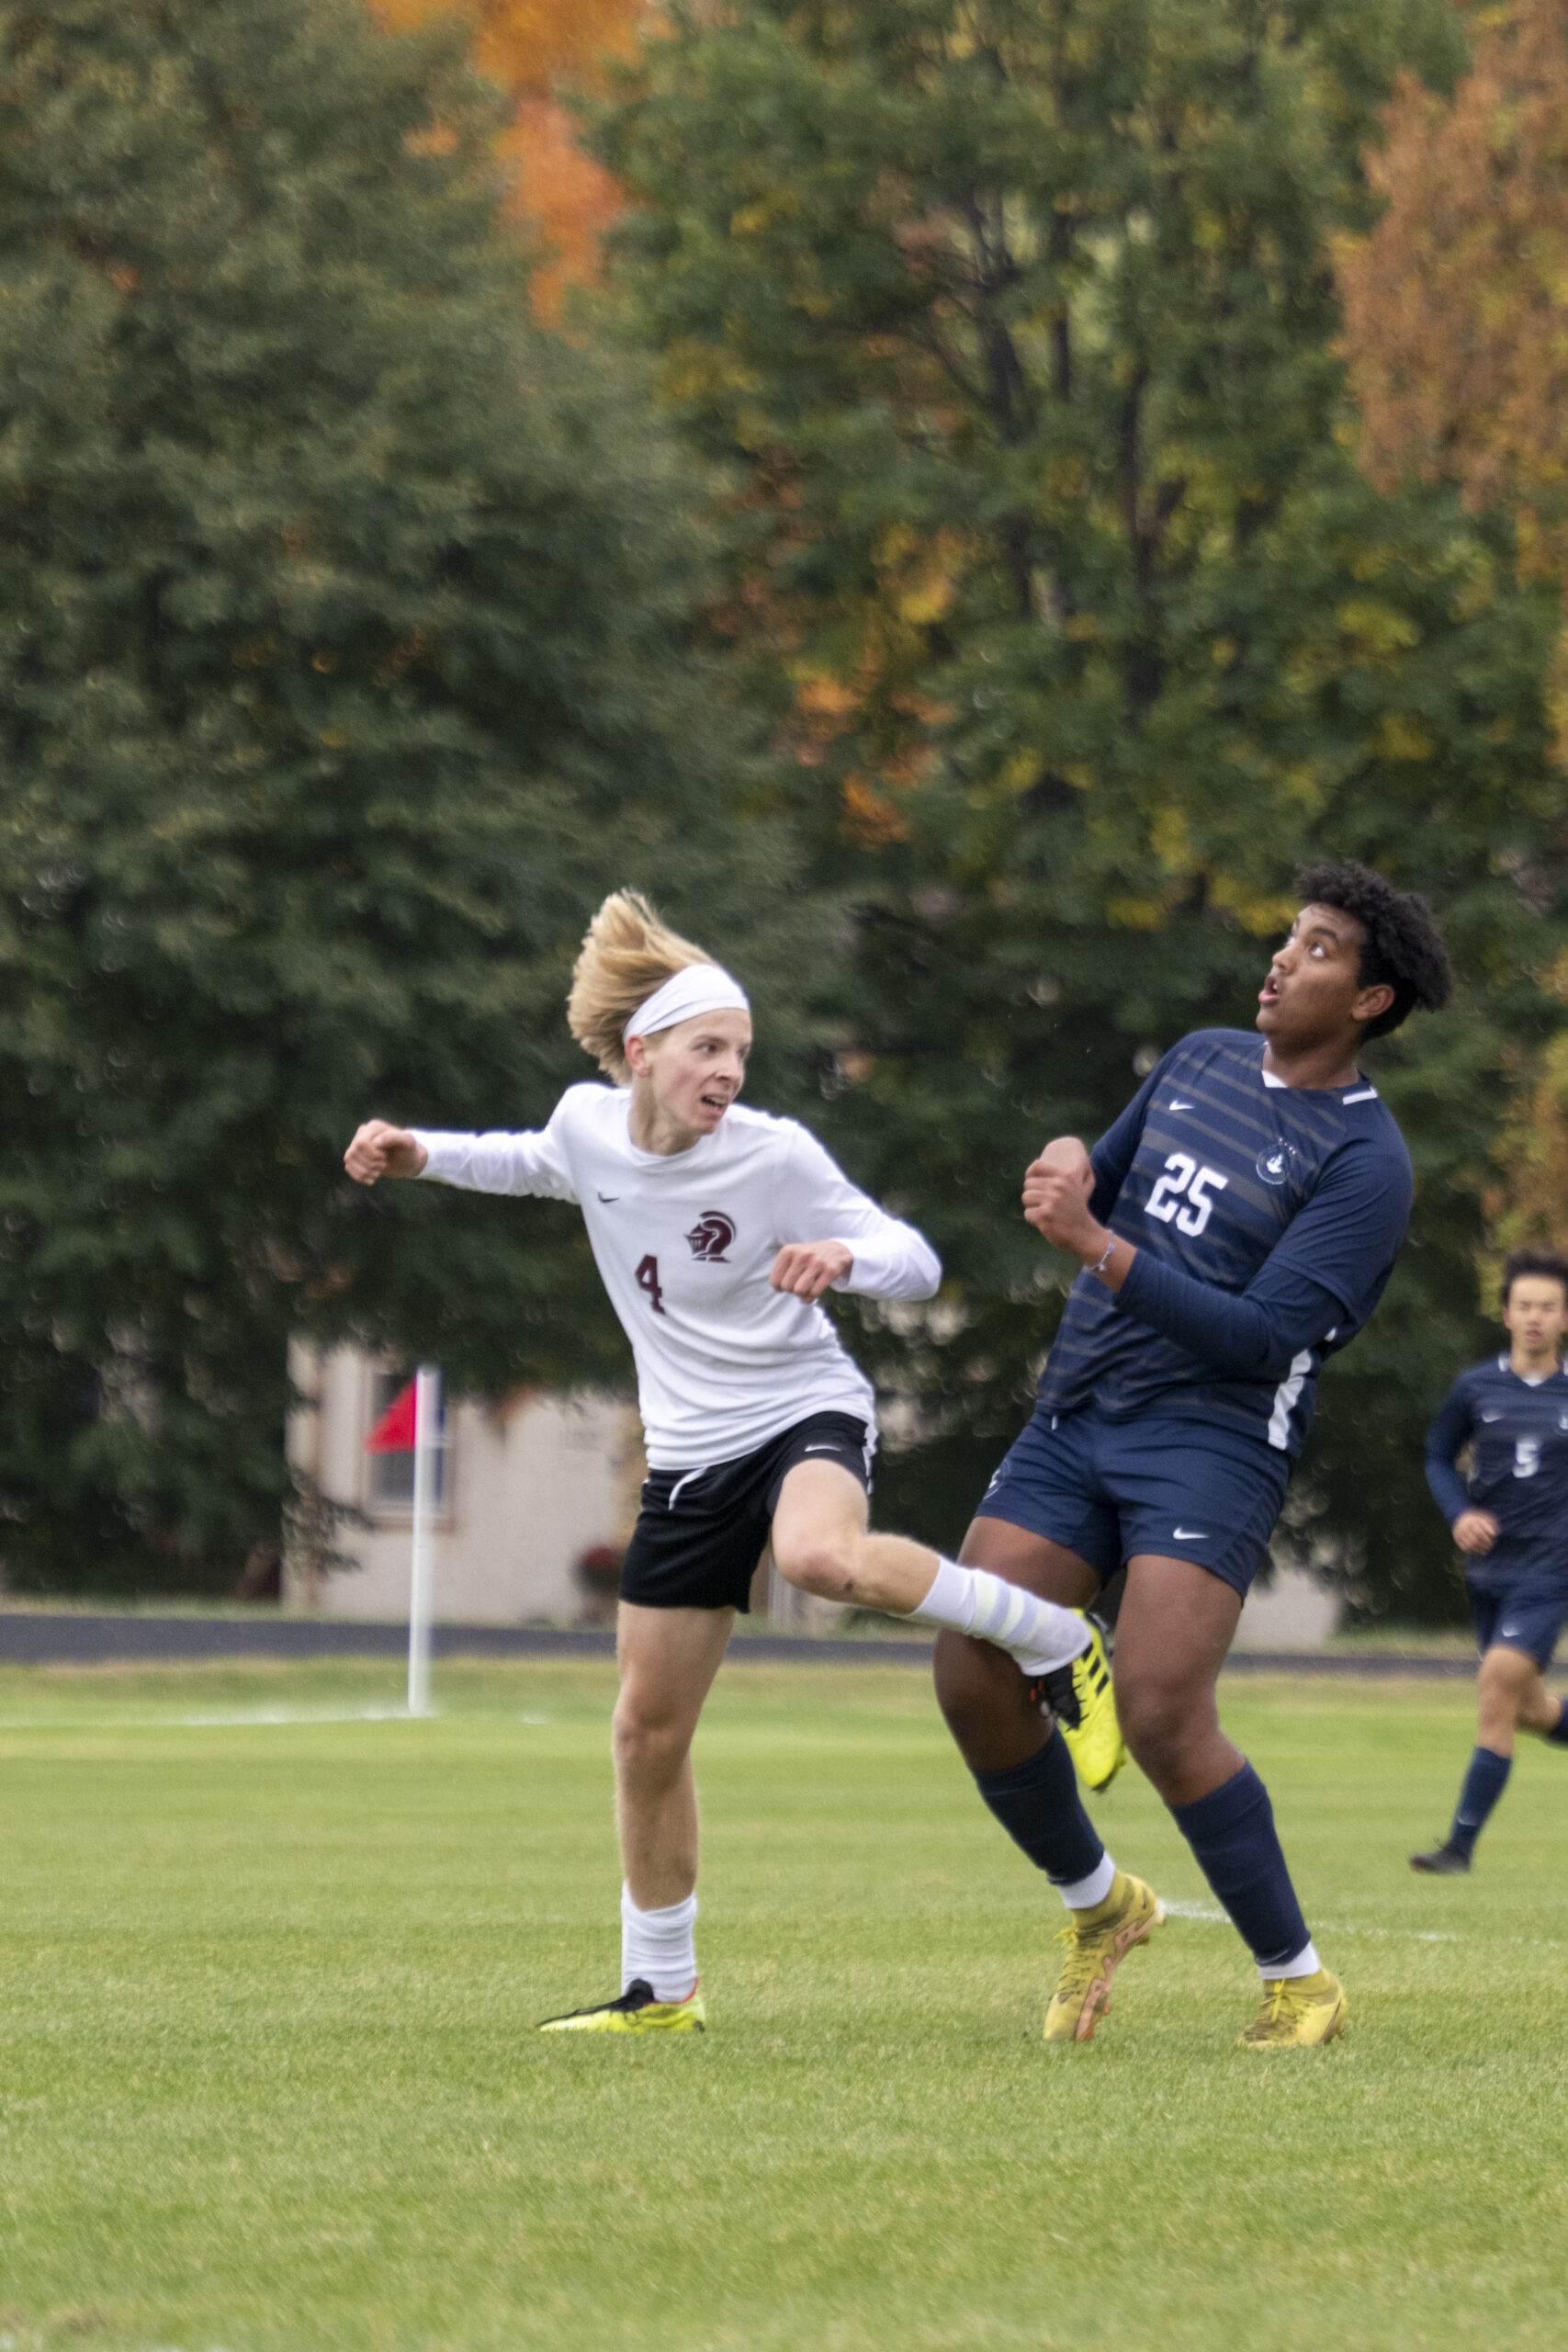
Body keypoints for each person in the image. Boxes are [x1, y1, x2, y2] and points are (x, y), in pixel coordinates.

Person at [344, 890, 1113, 2034]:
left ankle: (1052, 1632)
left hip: (803, 1410)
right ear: (643, 1054)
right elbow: (523, 1161)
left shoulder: (774, 1155)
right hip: (691, 1457)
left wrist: (842, 1255)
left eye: (742, 1051)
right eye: (710, 1047)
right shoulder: (588, 1125)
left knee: (816, 1555)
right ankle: (661, 1989)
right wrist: (416, 1156)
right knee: (644, 1732)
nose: (731, 1071)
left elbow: (918, 1261)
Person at [932, 860, 1453, 2048]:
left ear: (1369, 1001)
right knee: (969, 1671)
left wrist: (1091, 1244)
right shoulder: (1198, 1059)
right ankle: (1096, 1906)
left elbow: (1260, 1337)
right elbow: (1095, 1181)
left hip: (1208, 1444)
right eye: (1288, 936)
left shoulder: (1365, 1165)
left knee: (1163, 1711)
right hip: (1075, 1410)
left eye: (1317, 948)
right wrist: (1069, 1160)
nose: (1281, 957)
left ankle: (1296, 1980)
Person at [1411, 1248, 1568, 1875]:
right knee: (1527, 1708)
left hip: (1550, 1571)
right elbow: (1435, 1455)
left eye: (1548, 1307)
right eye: (1524, 1305)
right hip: (1488, 1574)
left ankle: (1458, 1847)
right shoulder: (1474, 1387)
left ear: (1563, 1317)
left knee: (1494, 1684)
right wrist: (1458, 1514)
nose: (1534, 1317)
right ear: (1505, 1313)